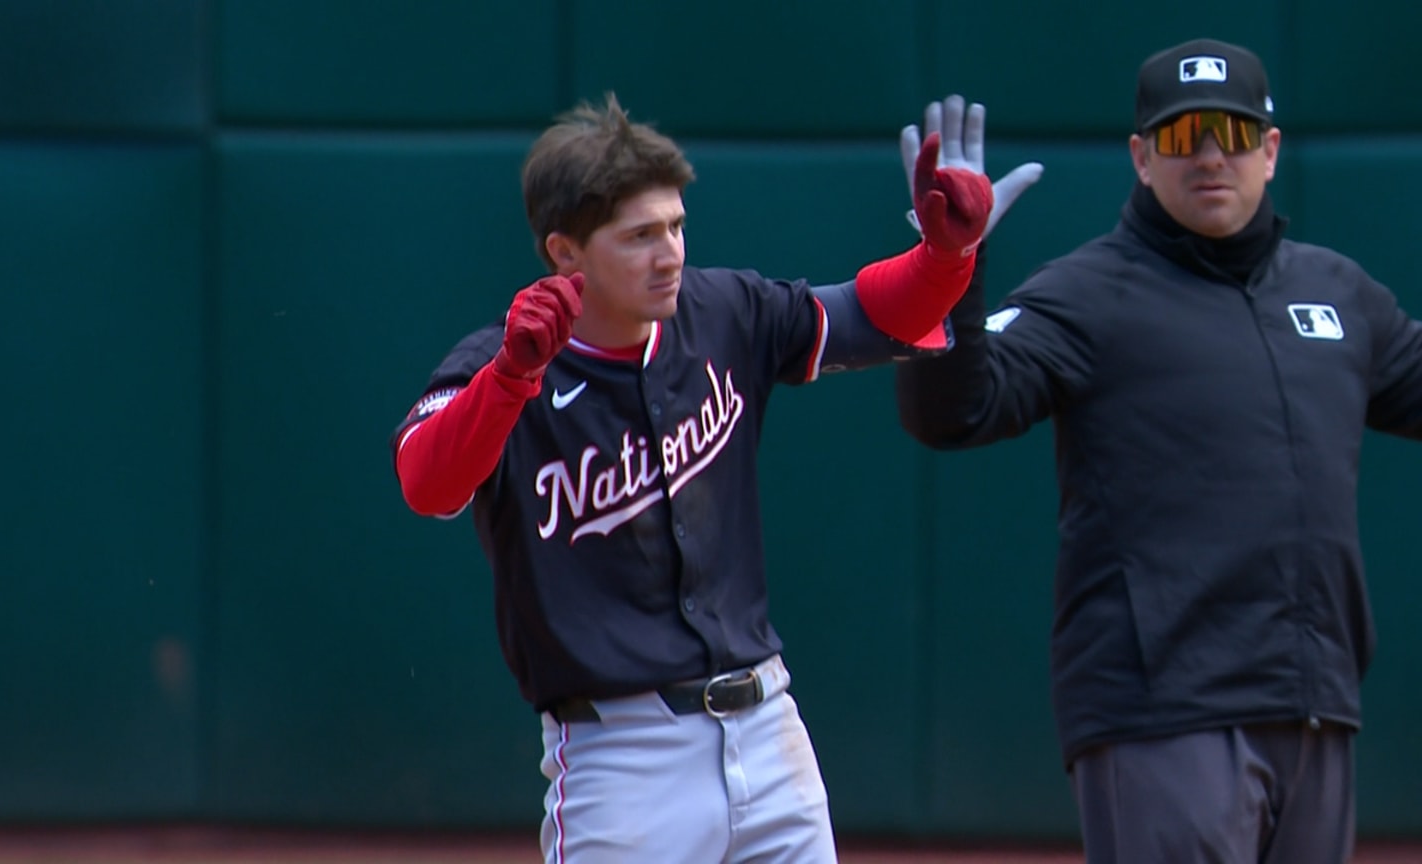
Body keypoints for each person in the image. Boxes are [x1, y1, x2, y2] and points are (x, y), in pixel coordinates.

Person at [390, 92, 1023, 862]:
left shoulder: (722, 312)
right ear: (566, 253)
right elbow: (427, 483)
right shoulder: (504, 361)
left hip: (768, 730)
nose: (670, 253)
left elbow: (879, 314)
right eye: (640, 236)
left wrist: (946, 256)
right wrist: (510, 378)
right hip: (621, 761)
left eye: (676, 226)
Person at [896, 38, 1422, 864]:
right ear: (1141, 158)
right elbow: (956, 413)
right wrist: (946, 268)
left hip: (1316, 705)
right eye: (1181, 138)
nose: (1210, 156)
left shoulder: (1339, 294)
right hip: (1160, 713)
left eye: (1233, 133)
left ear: (1271, 151)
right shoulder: (1088, 294)